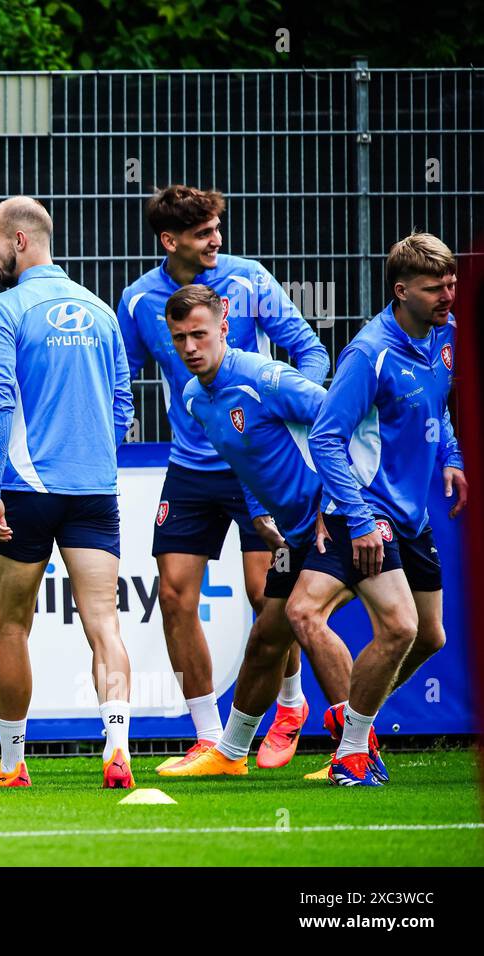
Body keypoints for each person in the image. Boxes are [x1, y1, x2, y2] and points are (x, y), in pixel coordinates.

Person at [116, 185, 330, 771]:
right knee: (173, 595)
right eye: (205, 232)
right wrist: (108, 435)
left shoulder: (251, 279)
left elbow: (310, 353)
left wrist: (284, 424)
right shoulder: (137, 301)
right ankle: (210, 736)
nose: (218, 240)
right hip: (190, 468)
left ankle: (289, 708)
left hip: (257, 471)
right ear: (171, 241)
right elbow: (121, 380)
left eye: (217, 229)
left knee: (268, 598)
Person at [153, 285, 359, 777]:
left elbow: (337, 420)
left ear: (224, 326)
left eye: (199, 334)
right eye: (179, 338)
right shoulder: (193, 398)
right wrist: (260, 512)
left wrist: (341, 505)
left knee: (332, 620)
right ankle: (230, 753)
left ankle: (356, 749)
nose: (189, 348)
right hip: (292, 533)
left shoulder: (263, 378)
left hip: (337, 521)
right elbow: (243, 459)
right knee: (269, 636)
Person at [288, 232, 466, 787]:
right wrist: (360, 518)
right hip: (368, 510)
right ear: (400, 290)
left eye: (452, 283)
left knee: (430, 636)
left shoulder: (445, 336)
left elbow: (439, 405)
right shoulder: (369, 353)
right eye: (435, 287)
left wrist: (451, 457)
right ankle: (352, 751)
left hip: (412, 514)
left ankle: (353, 727)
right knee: (398, 627)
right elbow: (325, 438)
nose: (448, 295)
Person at [0, 196, 136, 790]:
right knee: (106, 625)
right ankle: (116, 746)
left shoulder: (3, 311)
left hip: (24, 489)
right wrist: (91, 456)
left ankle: (13, 764)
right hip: (95, 490)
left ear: (20, 241)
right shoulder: (102, 311)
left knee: (12, 627)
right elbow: (123, 406)